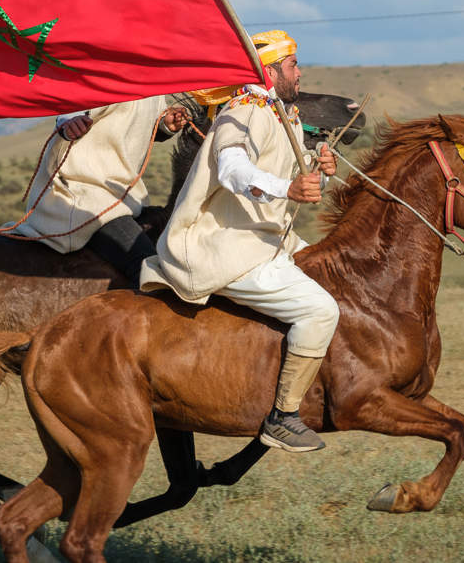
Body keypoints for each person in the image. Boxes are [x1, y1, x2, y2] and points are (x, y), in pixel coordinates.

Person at [140, 30, 339, 452]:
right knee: (322, 310)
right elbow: (234, 169)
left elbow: (297, 178)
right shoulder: (243, 109)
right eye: (293, 66)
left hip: (267, 238)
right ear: (269, 71)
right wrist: (289, 189)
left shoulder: (285, 114)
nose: (300, 73)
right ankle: (283, 417)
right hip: (225, 245)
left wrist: (320, 170)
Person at [7, 97, 188, 282]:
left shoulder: (152, 89)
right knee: (149, 269)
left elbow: (146, 123)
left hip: (122, 198)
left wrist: (166, 123)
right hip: (83, 196)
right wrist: (70, 124)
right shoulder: (98, 80)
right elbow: (70, 110)